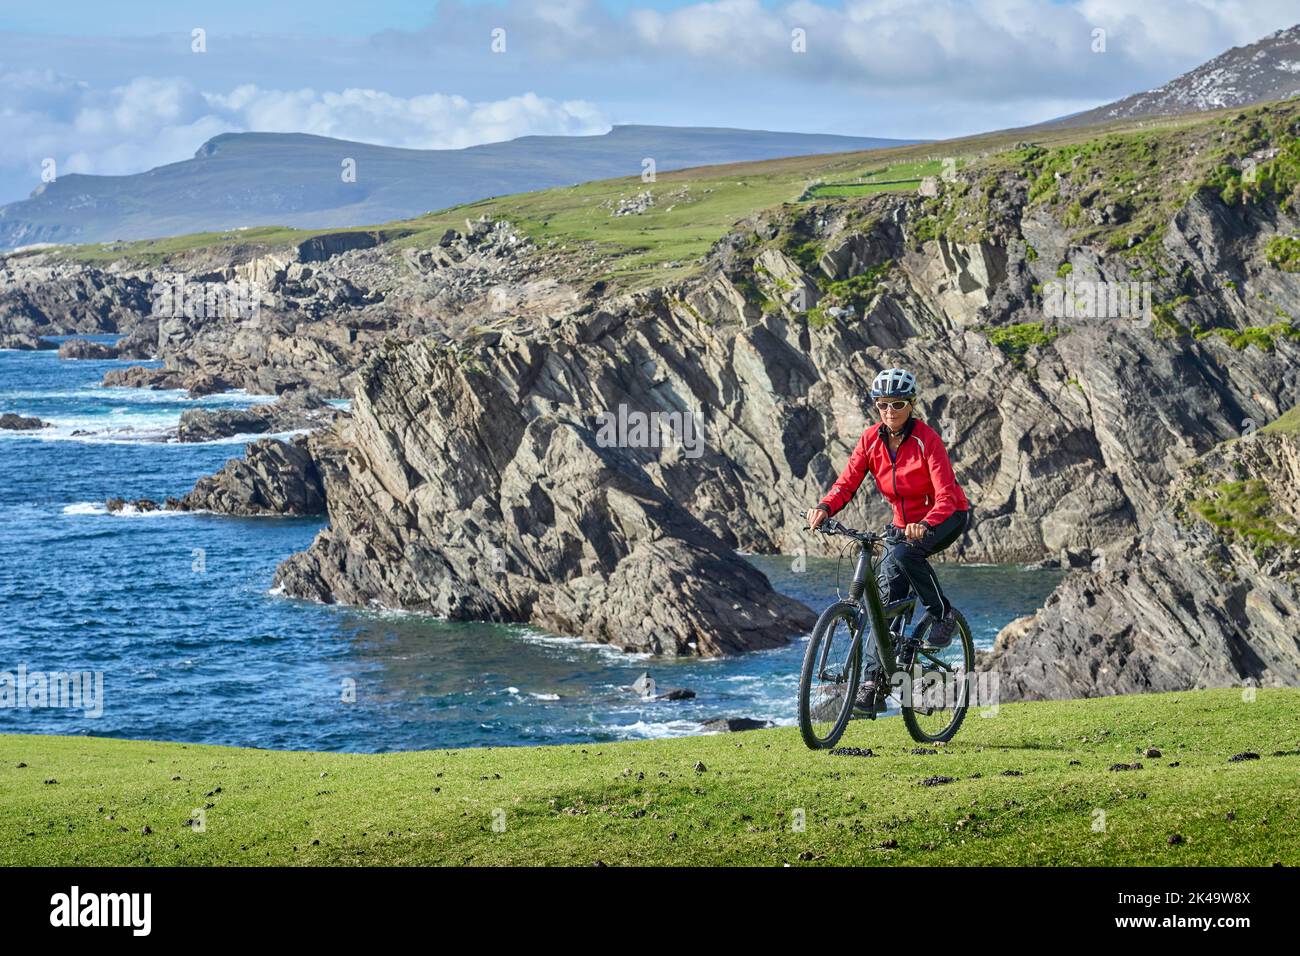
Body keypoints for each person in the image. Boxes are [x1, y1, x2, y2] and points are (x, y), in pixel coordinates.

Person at [807, 367, 972, 713]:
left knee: (907, 555)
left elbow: (945, 495)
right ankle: (872, 683)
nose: (890, 411)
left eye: (897, 404)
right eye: (882, 404)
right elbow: (847, 482)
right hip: (902, 525)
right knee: (882, 604)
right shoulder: (870, 440)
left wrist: (925, 523)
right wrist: (825, 507)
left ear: (911, 405)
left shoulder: (927, 440)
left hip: (946, 516)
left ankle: (941, 615)